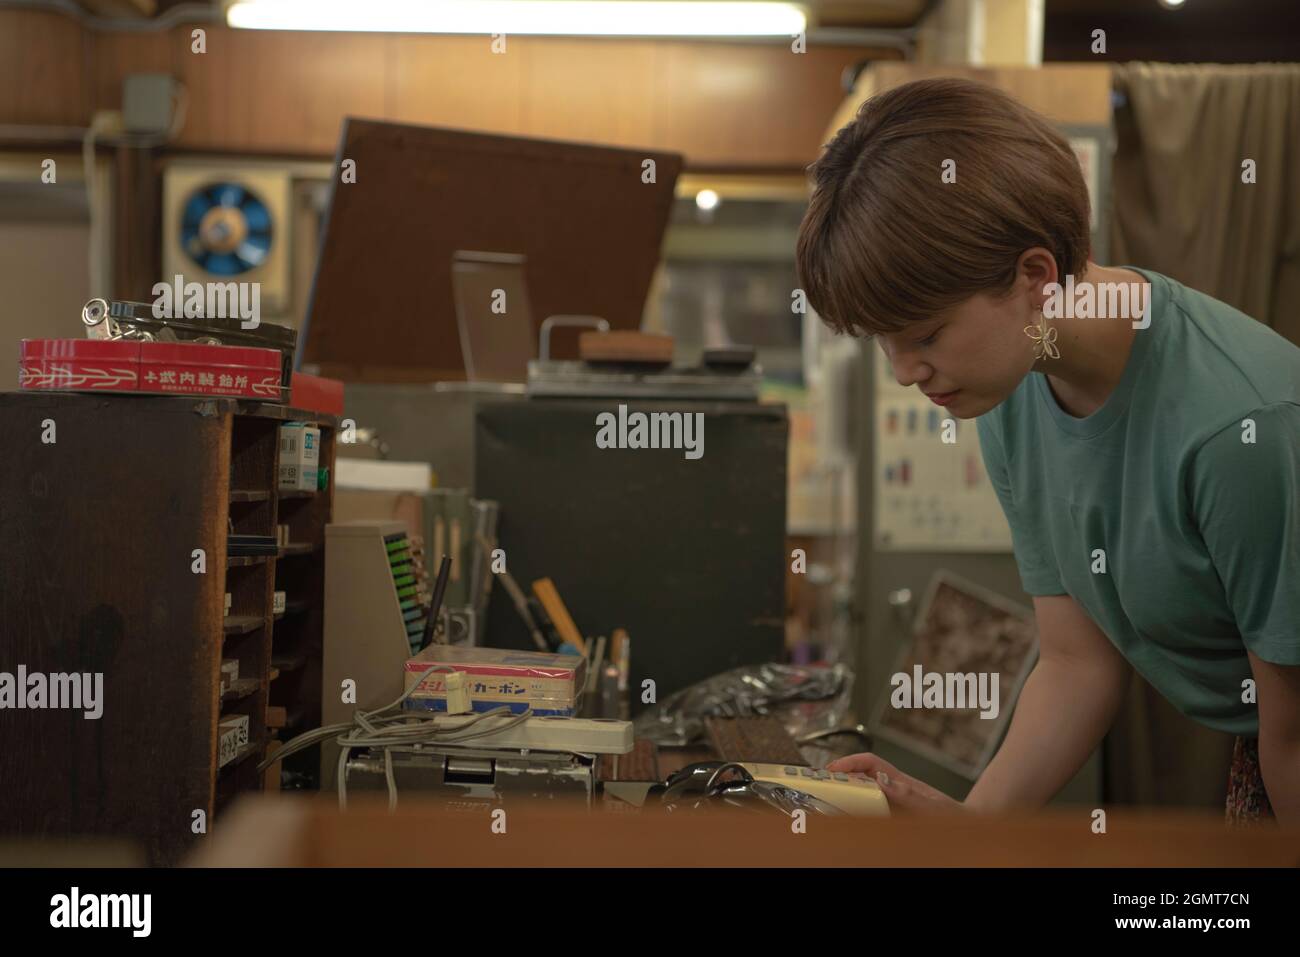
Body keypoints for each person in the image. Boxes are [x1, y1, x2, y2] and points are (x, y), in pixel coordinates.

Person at [794, 77, 1300, 825]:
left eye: (925, 334)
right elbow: (1077, 664)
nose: (904, 372)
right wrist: (968, 833)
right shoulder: (1016, 386)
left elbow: (1292, 735)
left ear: (1035, 278)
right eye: (884, 342)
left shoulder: (1238, 427)